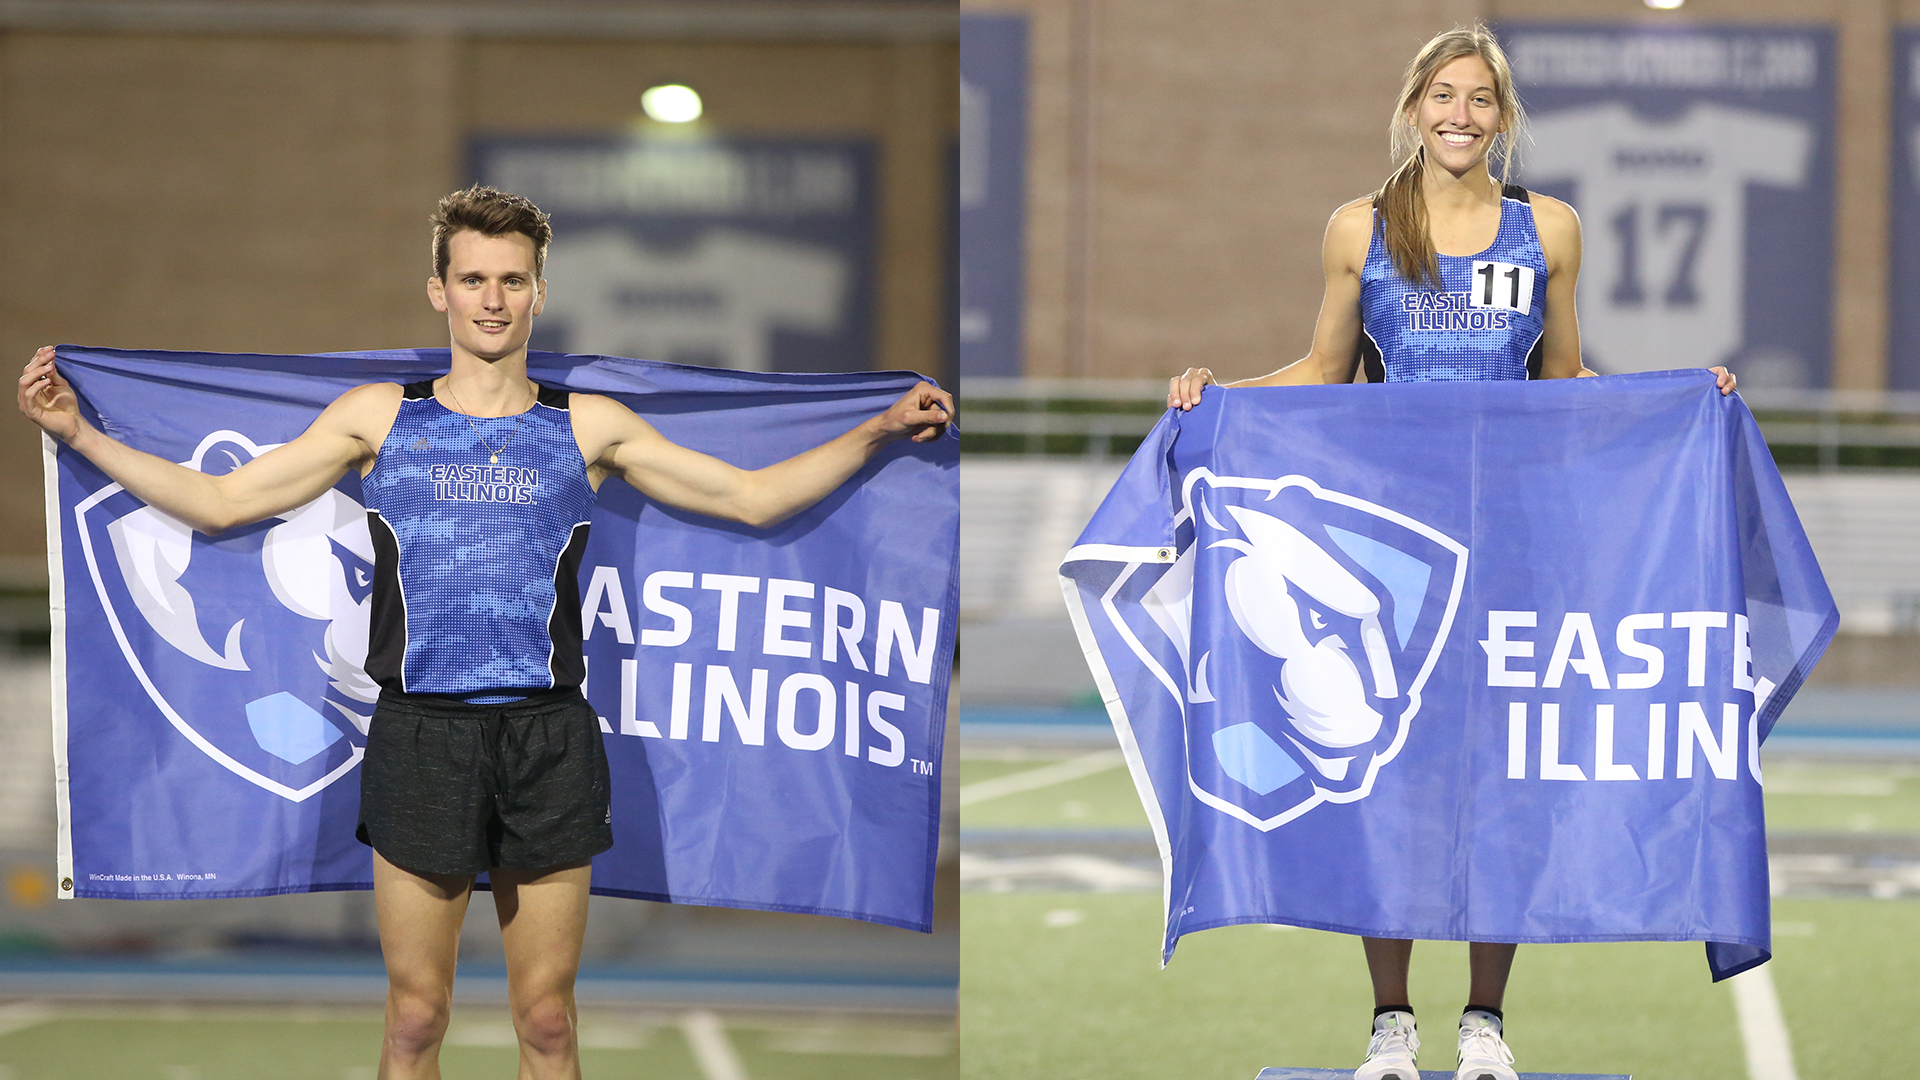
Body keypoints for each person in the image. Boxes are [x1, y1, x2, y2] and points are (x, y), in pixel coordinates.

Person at [17, 185, 952, 1080]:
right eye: (472, 279)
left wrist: (876, 429)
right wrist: (80, 435)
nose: (492, 299)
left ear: (539, 292)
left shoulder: (589, 426)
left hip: (549, 737)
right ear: (440, 292)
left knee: (547, 1019)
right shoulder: (379, 418)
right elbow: (220, 503)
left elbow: (750, 499)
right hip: (421, 737)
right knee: (415, 1016)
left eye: (511, 280)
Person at [1165, 26, 1735, 1080]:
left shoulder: (1548, 228)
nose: (1461, 116)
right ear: (1414, 108)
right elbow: (1326, 372)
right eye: (1443, 96)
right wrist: (1220, 398)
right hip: (1391, 540)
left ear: (1503, 118)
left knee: (1500, 783)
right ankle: (1391, 1026)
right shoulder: (1359, 227)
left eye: (1480, 100)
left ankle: (1485, 1025)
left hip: (1520, 543)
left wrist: (1674, 403)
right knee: (1386, 777)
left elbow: (1566, 381)